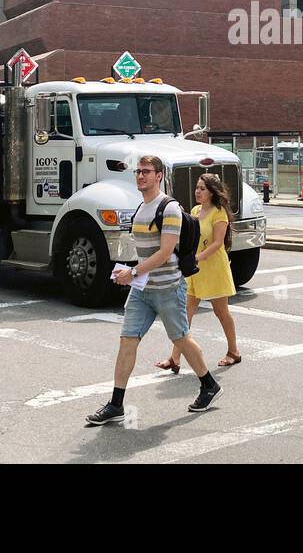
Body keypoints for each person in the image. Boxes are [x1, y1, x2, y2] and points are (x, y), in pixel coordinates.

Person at [86, 155, 221, 426]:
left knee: (181, 338)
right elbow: (145, 251)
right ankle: (116, 404)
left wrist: (134, 272)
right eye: (138, 172)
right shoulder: (140, 208)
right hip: (142, 290)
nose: (140, 176)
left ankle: (208, 384)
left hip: (169, 288)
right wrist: (127, 271)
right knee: (127, 340)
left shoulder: (168, 208)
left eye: (146, 172)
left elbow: (166, 251)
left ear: (159, 176)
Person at [156, 173, 240, 373]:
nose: (198, 192)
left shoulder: (219, 213)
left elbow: (217, 243)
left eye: (202, 188)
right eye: (197, 188)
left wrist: (197, 257)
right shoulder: (195, 210)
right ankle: (174, 358)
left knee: (221, 312)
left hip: (214, 269)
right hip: (195, 270)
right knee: (185, 313)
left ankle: (234, 351)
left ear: (212, 192)